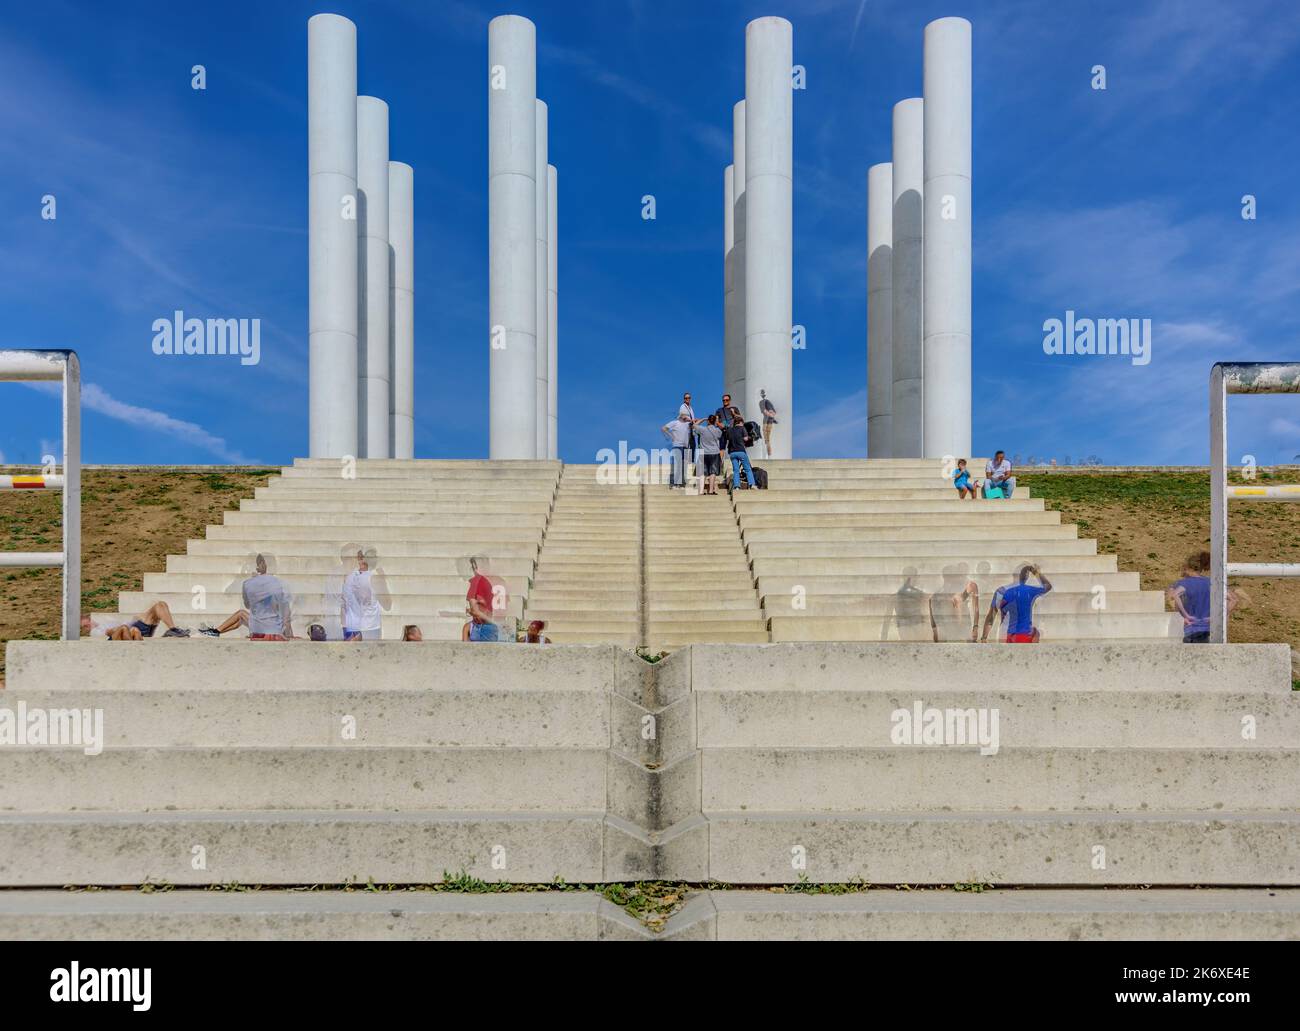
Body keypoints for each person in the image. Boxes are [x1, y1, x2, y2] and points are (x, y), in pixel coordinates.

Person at [1167, 551, 1244, 643]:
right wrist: (1217, 617)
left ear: (1186, 567)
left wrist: (1185, 616)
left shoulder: (1181, 583)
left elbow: (1173, 596)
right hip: (1210, 630)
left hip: (1191, 629)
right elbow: (1234, 599)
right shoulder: (1212, 582)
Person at [981, 563, 1052, 643]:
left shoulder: (1001, 591)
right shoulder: (1030, 591)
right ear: (1027, 577)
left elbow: (991, 615)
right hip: (1023, 634)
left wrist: (984, 637)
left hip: (1004, 634)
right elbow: (1047, 586)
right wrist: (1036, 573)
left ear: (1013, 574)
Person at [242, 553, 295, 641]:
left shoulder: (248, 583)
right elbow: (286, 615)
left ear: (262, 564)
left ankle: (216, 631)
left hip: (258, 632)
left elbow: (247, 605)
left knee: (241, 615)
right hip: (274, 631)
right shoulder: (280, 583)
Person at [82, 601, 190, 640]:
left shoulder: (103, 622)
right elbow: (111, 633)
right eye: (85, 625)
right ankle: (173, 629)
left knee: (160, 604)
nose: (89, 623)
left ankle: (173, 629)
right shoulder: (95, 632)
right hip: (132, 631)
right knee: (158, 606)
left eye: (88, 620)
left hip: (135, 626)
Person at [342, 549, 386, 641]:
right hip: (371, 626)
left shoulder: (349, 577)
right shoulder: (374, 577)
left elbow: (344, 604)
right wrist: (383, 579)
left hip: (353, 625)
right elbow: (387, 605)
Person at [463, 555, 503, 642]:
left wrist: (471, 611)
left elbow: (476, 612)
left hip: (481, 629)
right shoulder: (486, 582)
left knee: (466, 629)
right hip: (490, 628)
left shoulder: (475, 582)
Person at [723, 407, 757, 489]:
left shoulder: (730, 430)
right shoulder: (742, 428)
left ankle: (737, 486)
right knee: (747, 469)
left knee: (736, 470)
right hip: (741, 451)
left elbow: (727, 438)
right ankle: (752, 484)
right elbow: (745, 438)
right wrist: (749, 437)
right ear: (740, 422)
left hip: (732, 452)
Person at [661, 412, 694, 489]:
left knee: (683, 466)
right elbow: (663, 428)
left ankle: (681, 484)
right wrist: (671, 436)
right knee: (678, 465)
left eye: (686, 415)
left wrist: (690, 420)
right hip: (677, 446)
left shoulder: (687, 424)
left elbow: (694, 423)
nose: (686, 416)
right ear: (680, 416)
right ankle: (675, 484)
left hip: (685, 446)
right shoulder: (674, 423)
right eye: (684, 415)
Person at [696, 413, 725, 495]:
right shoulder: (718, 431)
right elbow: (722, 429)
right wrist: (717, 423)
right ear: (715, 421)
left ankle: (701, 491)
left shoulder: (702, 429)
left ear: (708, 421)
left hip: (704, 453)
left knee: (703, 473)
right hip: (715, 453)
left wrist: (703, 419)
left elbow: (694, 425)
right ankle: (711, 491)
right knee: (713, 472)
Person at [759, 389, 778, 458]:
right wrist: (772, 416)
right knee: (767, 439)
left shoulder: (764, 402)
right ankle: (768, 454)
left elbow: (766, 411)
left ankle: (769, 454)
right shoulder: (764, 402)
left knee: (767, 439)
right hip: (768, 421)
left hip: (767, 422)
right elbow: (770, 412)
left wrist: (771, 415)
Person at [679, 392, 697, 466]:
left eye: (689, 398)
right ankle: (685, 461)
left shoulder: (690, 408)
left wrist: (694, 420)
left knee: (692, 445)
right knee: (686, 445)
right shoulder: (683, 407)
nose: (687, 399)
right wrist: (691, 420)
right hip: (686, 429)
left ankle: (691, 461)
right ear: (684, 399)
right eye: (686, 398)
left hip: (691, 429)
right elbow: (682, 417)